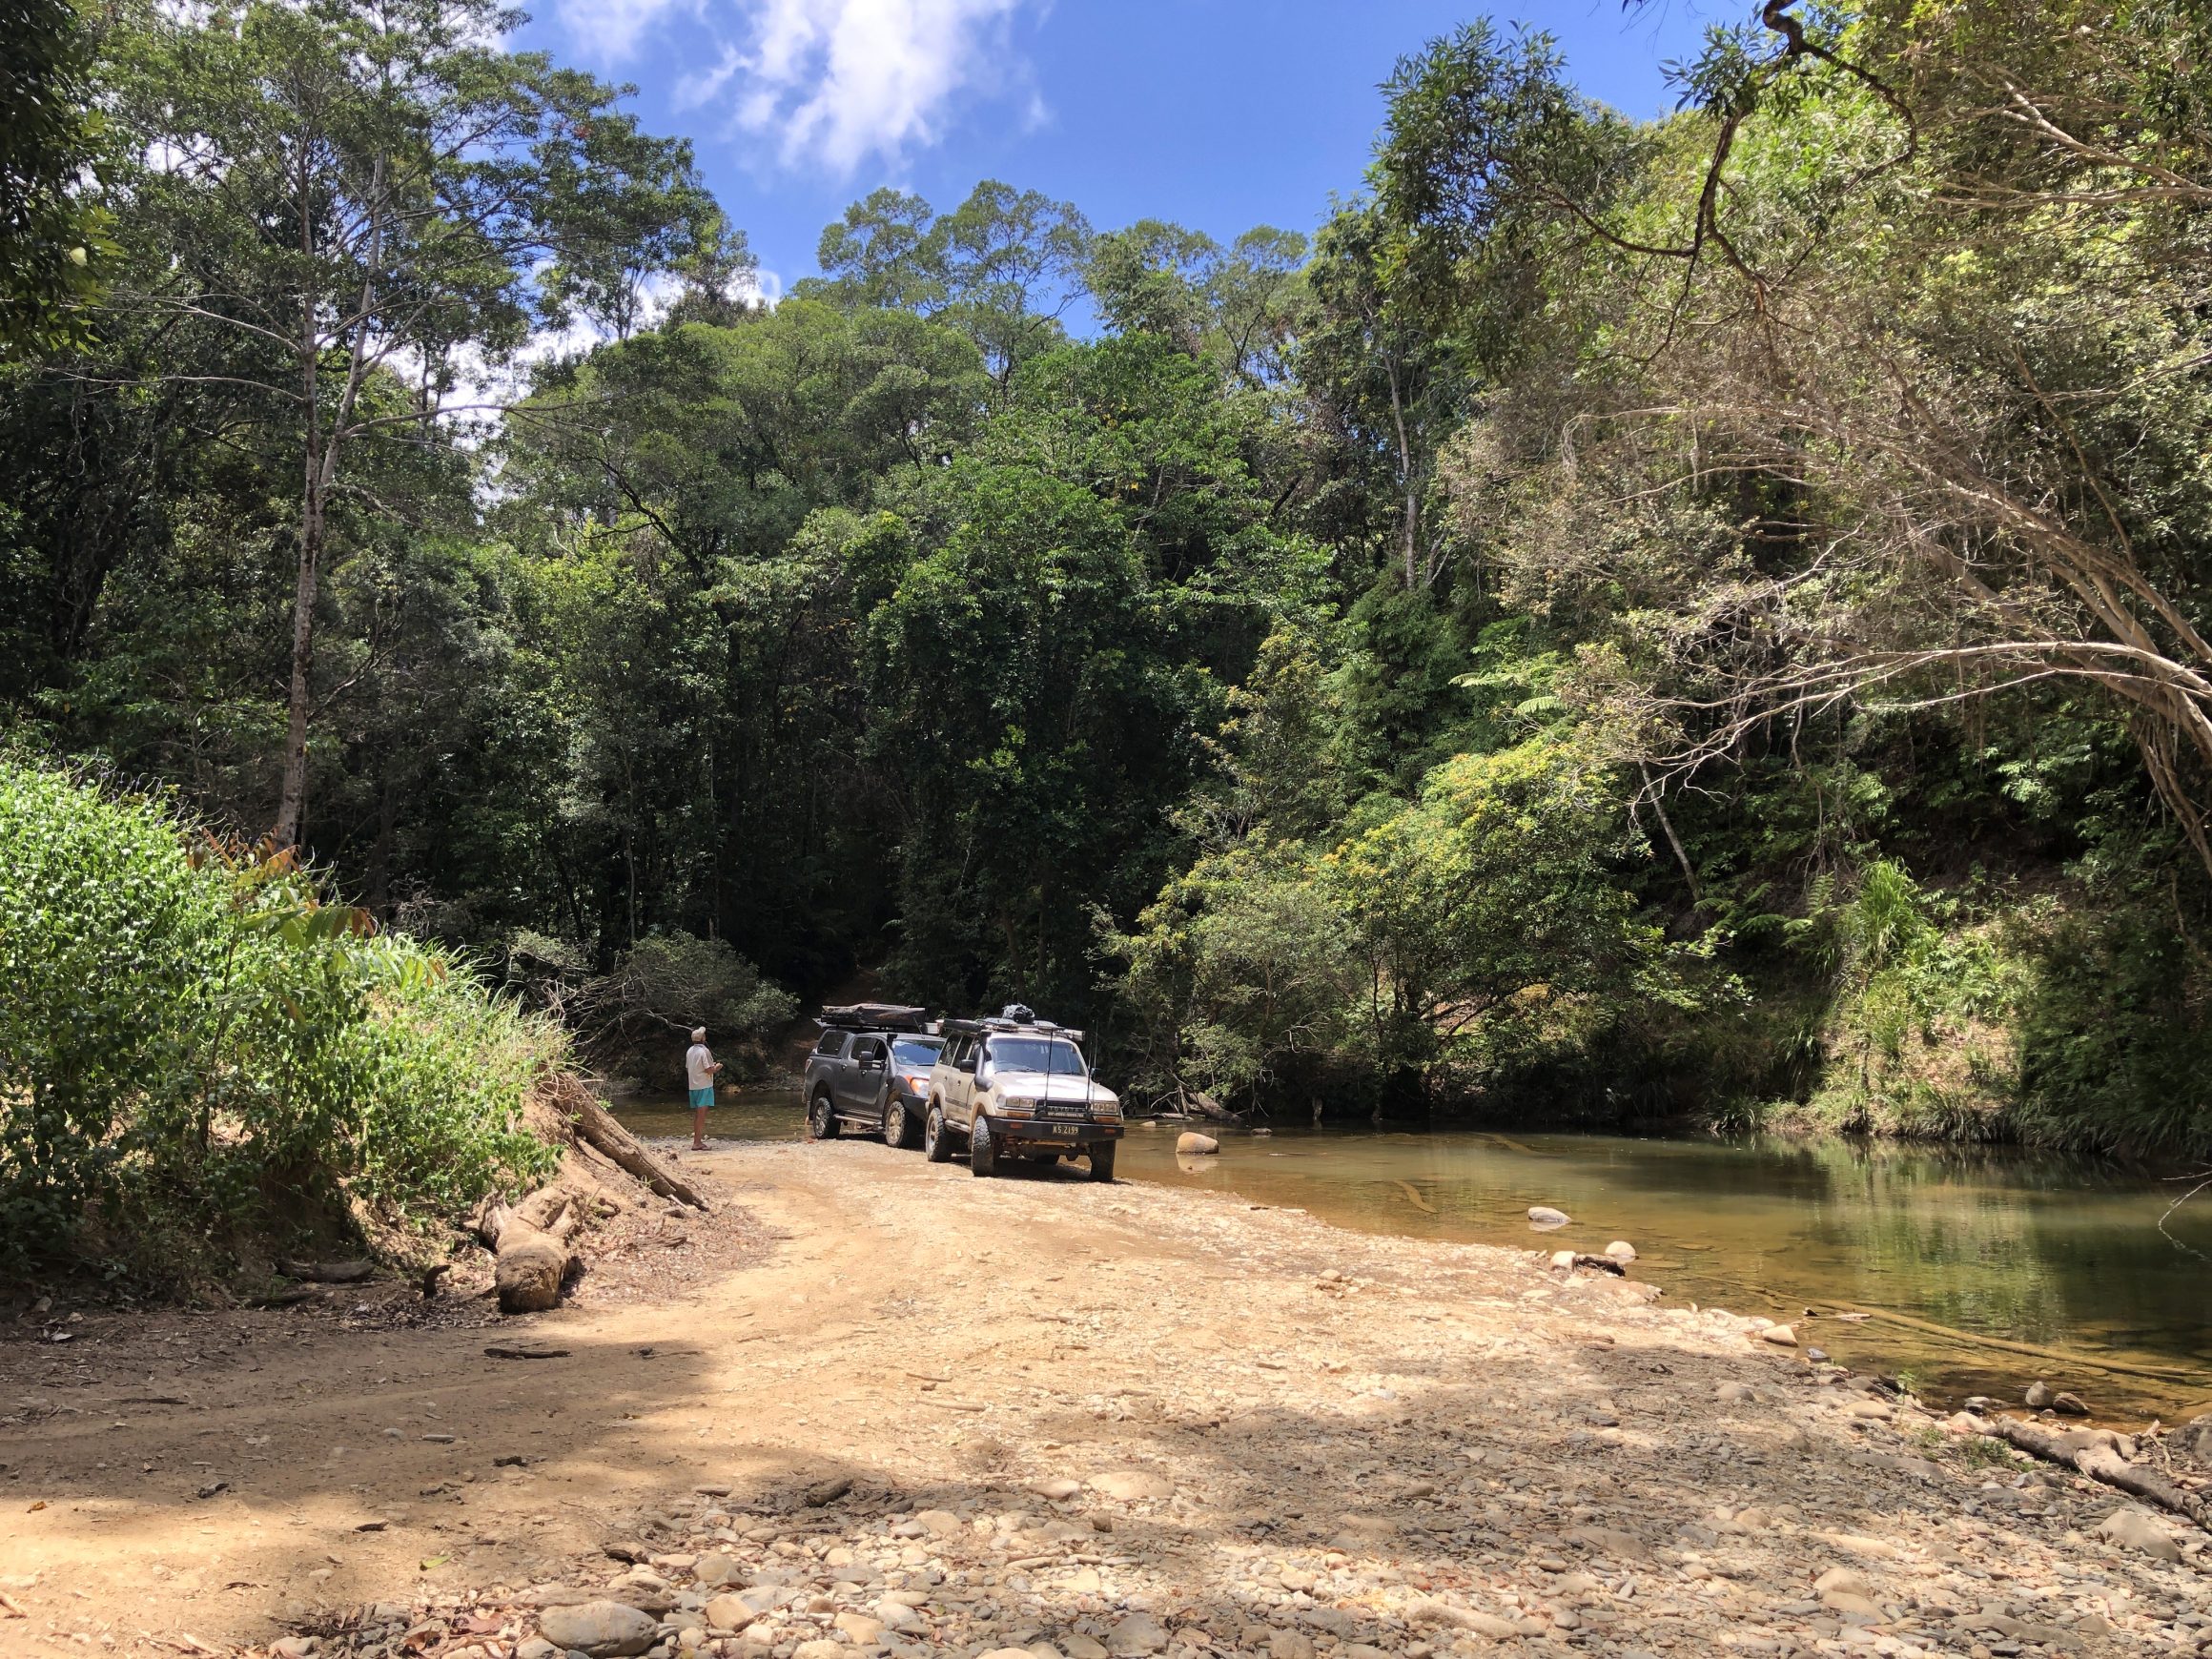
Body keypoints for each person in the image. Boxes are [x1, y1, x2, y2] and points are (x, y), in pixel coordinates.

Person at [685, 1026, 721, 1150]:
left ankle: (697, 1141)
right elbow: (709, 1070)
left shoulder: (689, 1051)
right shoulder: (704, 1051)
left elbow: (689, 1068)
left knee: (698, 1115)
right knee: (701, 1115)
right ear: (703, 1038)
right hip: (704, 1086)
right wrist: (717, 1067)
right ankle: (697, 1143)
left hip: (693, 1086)